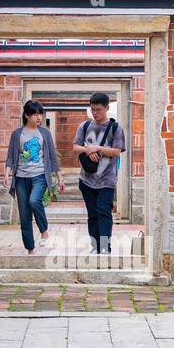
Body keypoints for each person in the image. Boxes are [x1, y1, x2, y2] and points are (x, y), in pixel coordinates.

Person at [3, 98, 63, 254]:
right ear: (27, 115)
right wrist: (7, 175)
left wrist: (59, 177)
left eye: (40, 114)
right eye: (35, 114)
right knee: (24, 215)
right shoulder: (17, 134)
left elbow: (52, 157)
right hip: (21, 178)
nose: (39, 118)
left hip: (39, 175)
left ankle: (44, 230)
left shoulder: (44, 133)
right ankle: (30, 249)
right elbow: (11, 156)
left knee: (34, 201)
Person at [73, 92, 126, 254]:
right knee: (93, 214)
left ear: (107, 108)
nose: (95, 113)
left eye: (98, 109)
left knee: (104, 212)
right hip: (87, 179)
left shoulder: (116, 128)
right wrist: (89, 150)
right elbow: (75, 147)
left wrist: (98, 148)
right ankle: (95, 247)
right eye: (92, 109)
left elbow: (117, 151)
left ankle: (105, 247)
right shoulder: (85, 126)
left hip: (107, 180)